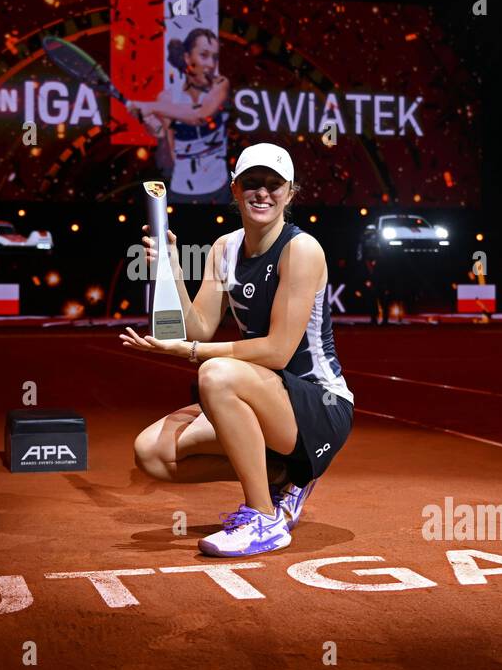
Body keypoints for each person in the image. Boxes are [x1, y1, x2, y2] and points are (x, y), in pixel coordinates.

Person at [123, 143, 355, 556]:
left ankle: (264, 518)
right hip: (262, 394)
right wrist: (173, 270)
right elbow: (198, 327)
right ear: (235, 189)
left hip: (318, 405)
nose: (262, 193)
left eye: (273, 185)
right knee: (152, 453)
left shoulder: (301, 249)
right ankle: (285, 473)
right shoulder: (223, 249)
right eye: (252, 183)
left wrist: (193, 352)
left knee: (215, 373)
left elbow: (278, 353)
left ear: (290, 192)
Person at [126, 27, 231, 204]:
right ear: (187, 57)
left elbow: (199, 115)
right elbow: (163, 135)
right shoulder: (167, 97)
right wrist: (146, 119)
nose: (211, 64)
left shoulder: (220, 84)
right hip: (182, 191)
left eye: (214, 57)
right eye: (204, 55)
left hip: (219, 190)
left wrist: (151, 107)